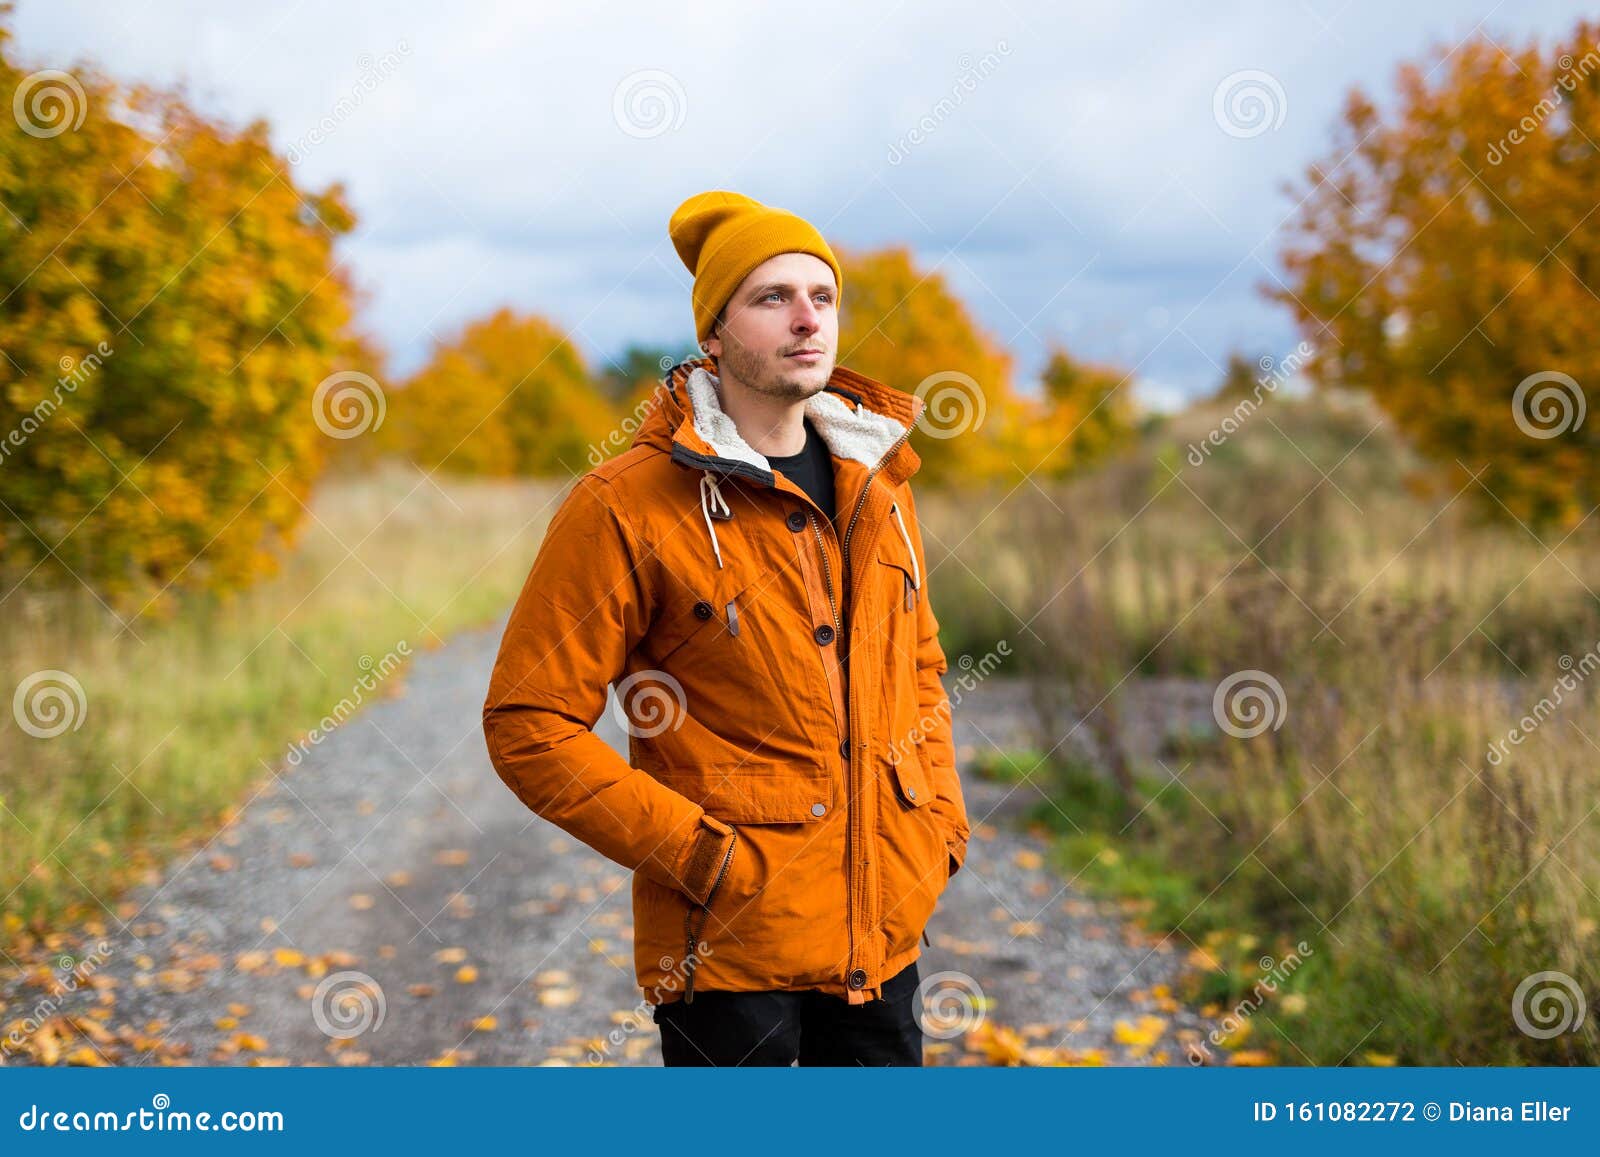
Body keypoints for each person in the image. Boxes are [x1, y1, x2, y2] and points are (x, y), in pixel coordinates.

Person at [481, 190, 970, 1066]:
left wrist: (941, 825)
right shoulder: (625, 503)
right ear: (713, 332)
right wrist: (700, 856)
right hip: (730, 951)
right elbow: (529, 723)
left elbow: (922, 668)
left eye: (822, 297)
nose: (805, 320)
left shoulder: (880, 485)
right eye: (771, 297)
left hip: (883, 928)